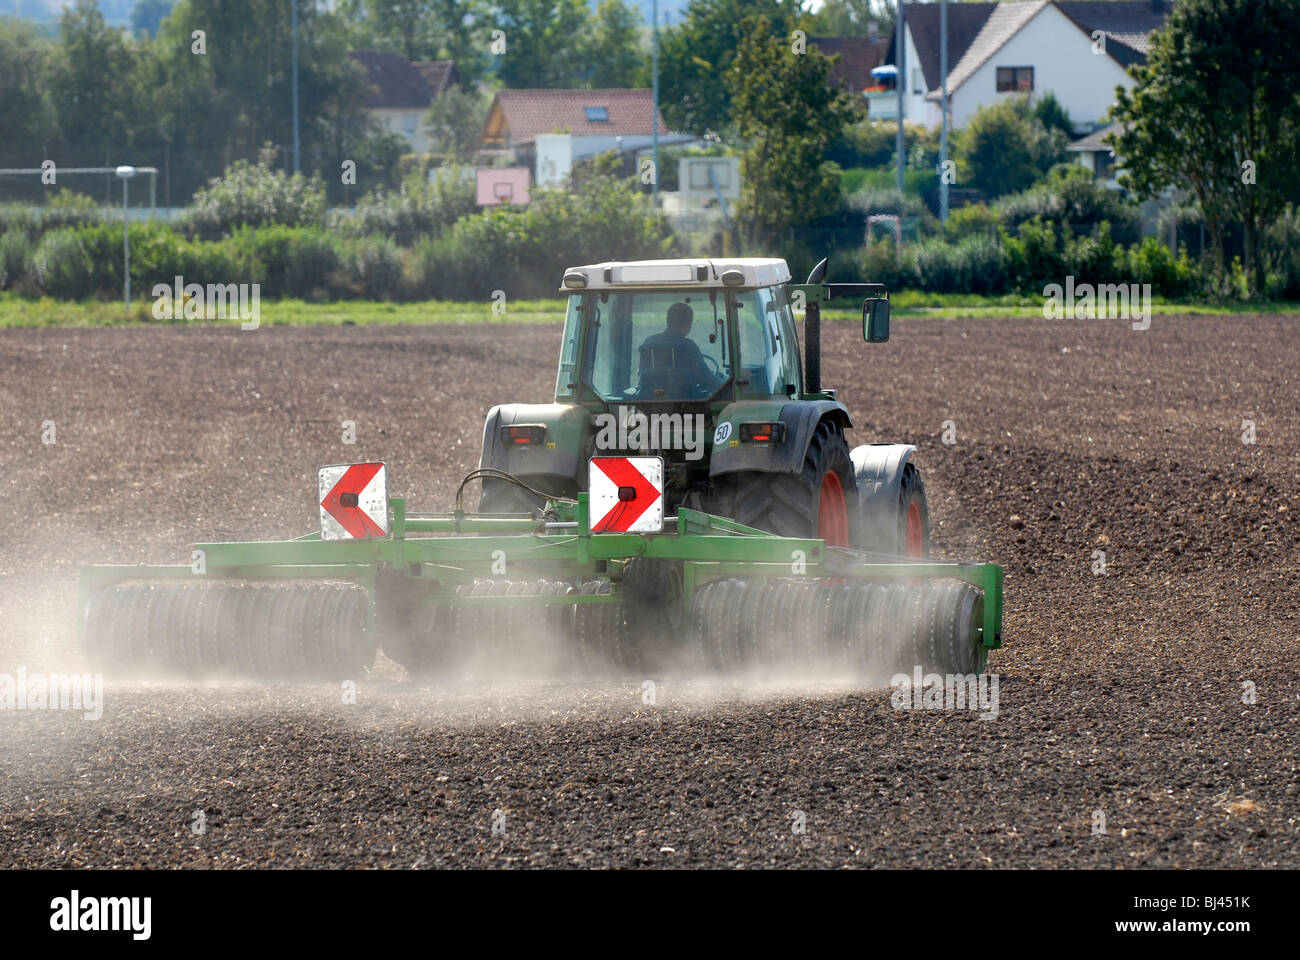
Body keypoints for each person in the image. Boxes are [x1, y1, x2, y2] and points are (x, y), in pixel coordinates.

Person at [638, 302, 723, 396]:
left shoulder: (649, 343)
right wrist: (725, 386)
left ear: (667, 321)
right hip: (688, 405)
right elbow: (706, 379)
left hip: (650, 402)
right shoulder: (689, 346)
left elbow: (642, 374)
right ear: (689, 324)